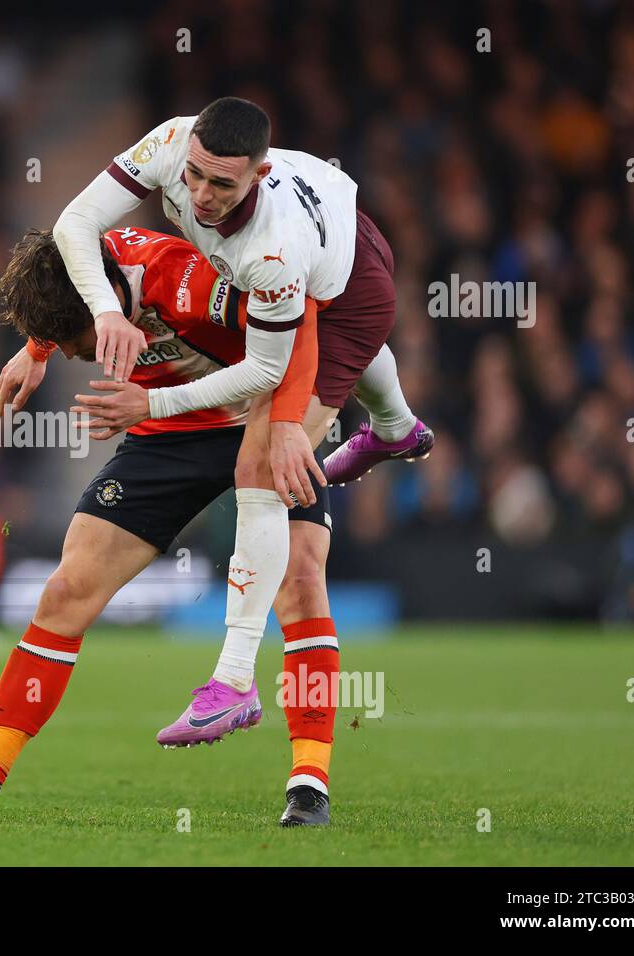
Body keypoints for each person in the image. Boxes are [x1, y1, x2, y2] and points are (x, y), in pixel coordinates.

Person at [49, 98, 433, 824]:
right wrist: (101, 311)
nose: (197, 196)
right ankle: (395, 426)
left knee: (260, 468)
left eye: (220, 186)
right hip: (334, 241)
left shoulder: (273, 249)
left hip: (343, 292)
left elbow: (264, 371)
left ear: (257, 174)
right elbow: (74, 225)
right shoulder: (168, 145)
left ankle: (233, 682)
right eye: (191, 176)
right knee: (285, 434)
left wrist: (164, 408)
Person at [0, 224, 321, 824]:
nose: (67, 352)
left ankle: (308, 785)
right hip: (167, 435)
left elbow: (290, 335)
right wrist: (34, 348)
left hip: (267, 413)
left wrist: (291, 421)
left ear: (107, 296)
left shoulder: (189, 282)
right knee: (68, 587)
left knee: (300, 582)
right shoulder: (86, 264)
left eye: (70, 337)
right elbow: (70, 291)